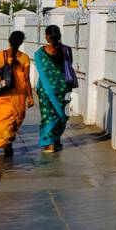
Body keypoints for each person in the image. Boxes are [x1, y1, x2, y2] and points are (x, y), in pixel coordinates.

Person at [0, 30, 34, 155]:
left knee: (2, 119)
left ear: (9, 41)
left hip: (0, 93)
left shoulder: (0, 55)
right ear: (21, 42)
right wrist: (30, 96)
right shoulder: (24, 58)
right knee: (15, 118)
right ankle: (8, 142)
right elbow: (27, 79)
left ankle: (6, 141)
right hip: (18, 94)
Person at [32, 24, 73, 153]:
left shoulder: (39, 53)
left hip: (46, 89)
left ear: (48, 36)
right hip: (63, 87)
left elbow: (42, 72)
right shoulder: (66, 50)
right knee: (60, 114)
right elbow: (68, 67)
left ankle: (49, 143)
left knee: (48, 116)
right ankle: (57, 140)